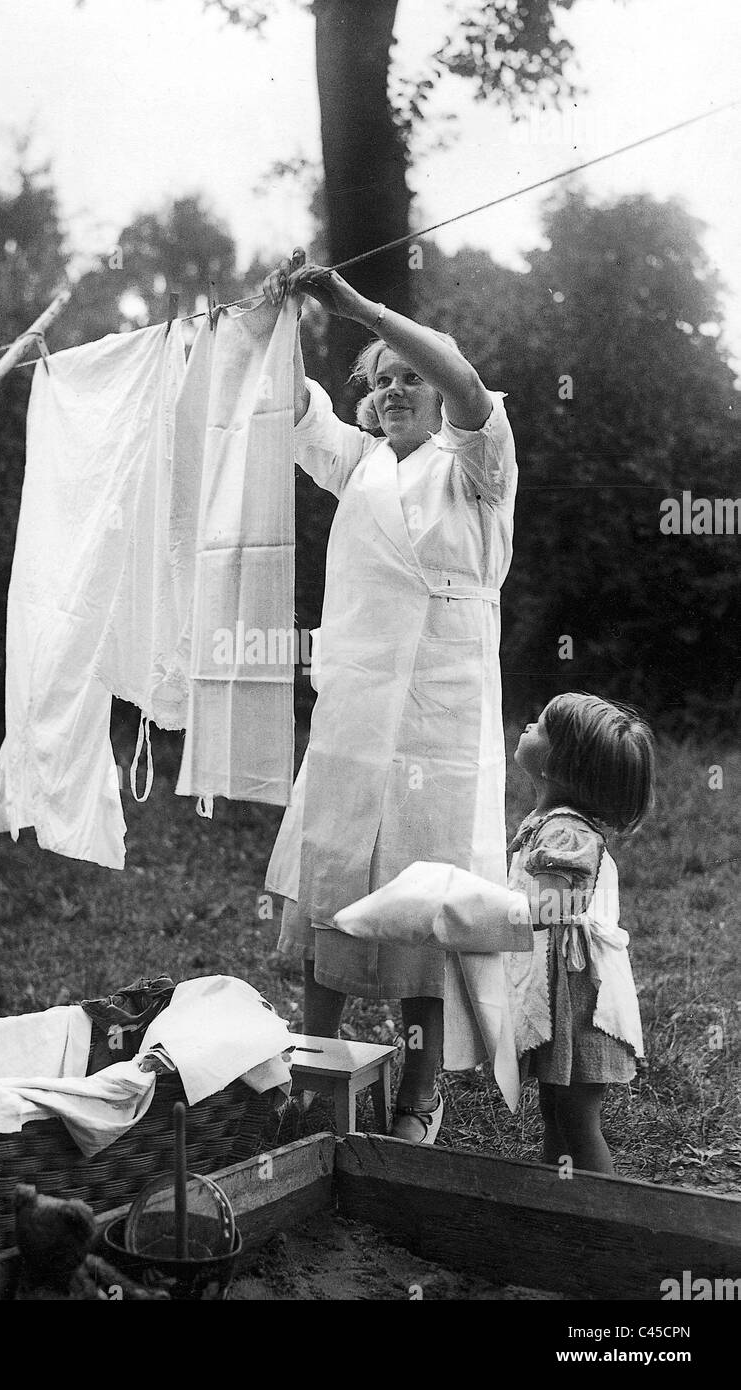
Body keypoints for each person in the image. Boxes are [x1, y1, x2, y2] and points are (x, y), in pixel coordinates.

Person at [262, 248, 518, 1143]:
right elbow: (293, 407)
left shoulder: (478, 463)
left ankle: (419, 1095)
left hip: (442, 711)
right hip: (354, 708)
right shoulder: (361, 463)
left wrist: (355, 304)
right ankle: (315, 1076)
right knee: (332, 877)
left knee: (425, 902)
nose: (402, 387)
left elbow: (460, 371)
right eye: (385, 380)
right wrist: (283, 316)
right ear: (369, 399)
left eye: (412, 376)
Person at [507, 692, 655, 1174]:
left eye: (541, 727)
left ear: (558, 765)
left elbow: (551, 906)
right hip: (564, 995)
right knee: (557, 1112)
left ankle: (604, 1218)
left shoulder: (567, 835)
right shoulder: (552, 825)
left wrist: (476, 910)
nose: (528, 726)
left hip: (580, 1002)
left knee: (575, 1117)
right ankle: (563, 1206)